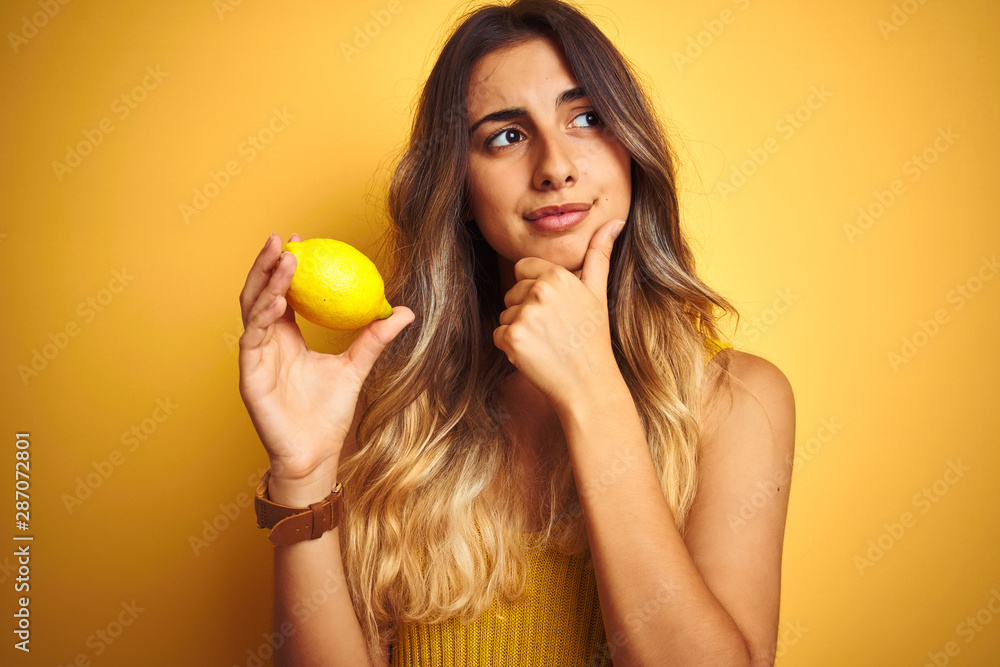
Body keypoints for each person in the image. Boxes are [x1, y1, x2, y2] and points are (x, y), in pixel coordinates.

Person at [237, 0, 796, 665]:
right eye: (506, 135)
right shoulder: (394, 408)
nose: (555, 166)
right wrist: (302, 475)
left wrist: (593, 391)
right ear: (461, 192)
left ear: (631, 151)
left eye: (586, 118)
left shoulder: (737, 400)